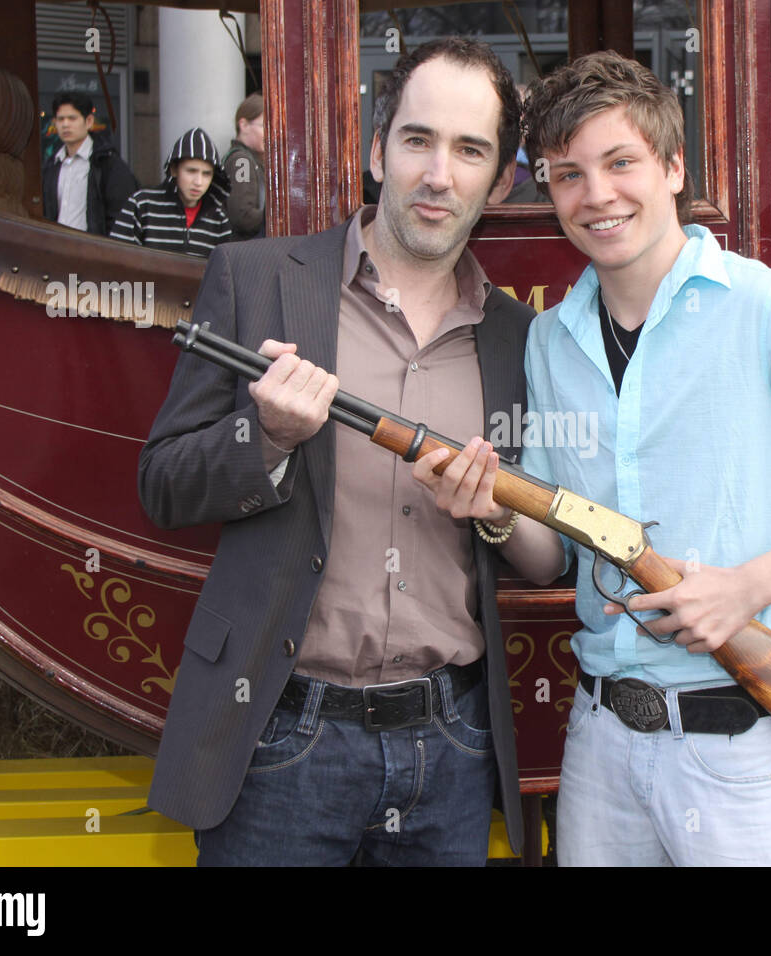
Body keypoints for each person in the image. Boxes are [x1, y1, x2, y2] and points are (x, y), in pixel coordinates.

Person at [415, 51, 771, 866]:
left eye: (620, 163)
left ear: (672, 167)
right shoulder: (552, 342)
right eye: (567, 175)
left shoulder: (769, 307)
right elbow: (554, 551)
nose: (597, 195)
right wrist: (492, 513)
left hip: (745, 745)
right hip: (600, 743)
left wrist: (746, 591)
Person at [138, 37, 533, 866]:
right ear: (375, 150)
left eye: (470, 151)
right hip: (280, 734)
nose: (438, 175)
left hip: (451, 748)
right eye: (418, 140)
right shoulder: (254, 279)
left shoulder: (519, 338)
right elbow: (162, 486)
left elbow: (550, 553)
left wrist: (494, 516)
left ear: (499, 180)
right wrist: (267, 437)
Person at [111, 128, 232, 258]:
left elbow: (224, 271)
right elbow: (116, 259)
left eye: (207, 174)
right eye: (191, 171)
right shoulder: (142, 205)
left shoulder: (218, 219)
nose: (199, 182)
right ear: (174, 170)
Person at [40, 92, 138, 235]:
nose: (65, 124)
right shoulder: (51, 165)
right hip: (55, 248)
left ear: (89, 121)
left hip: (92, 250)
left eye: (72, 118)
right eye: (60, 119)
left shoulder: (107, 163)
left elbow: (121, 216)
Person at [222, 93, 267, 240]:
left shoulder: (248, 160)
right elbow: (243, 216)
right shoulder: (242, 161)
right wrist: (275, 213)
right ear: (244, 125)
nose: (269, 133)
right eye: (264, 126)